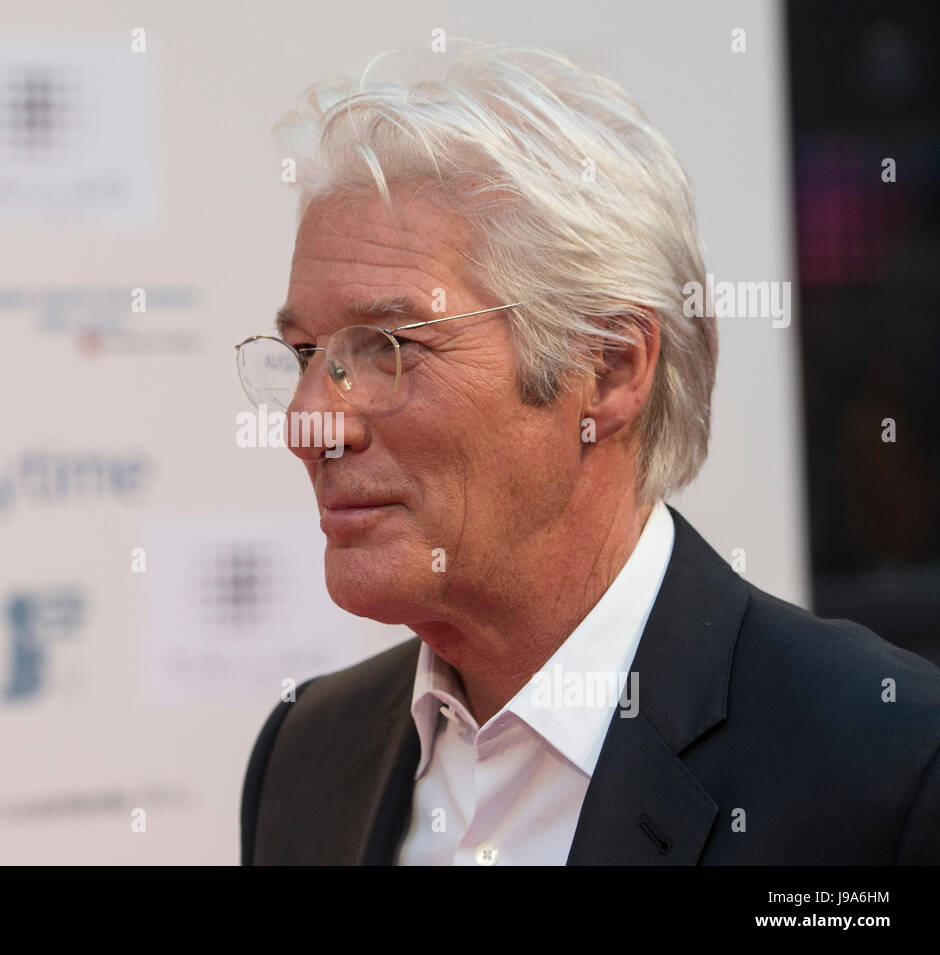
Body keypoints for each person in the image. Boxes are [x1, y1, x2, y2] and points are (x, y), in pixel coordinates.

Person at [236, 45, 940, 865]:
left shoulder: (888, 771)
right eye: (306, 352)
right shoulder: (306, 755)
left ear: (609, 370)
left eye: (387, 348)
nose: (308, 423)